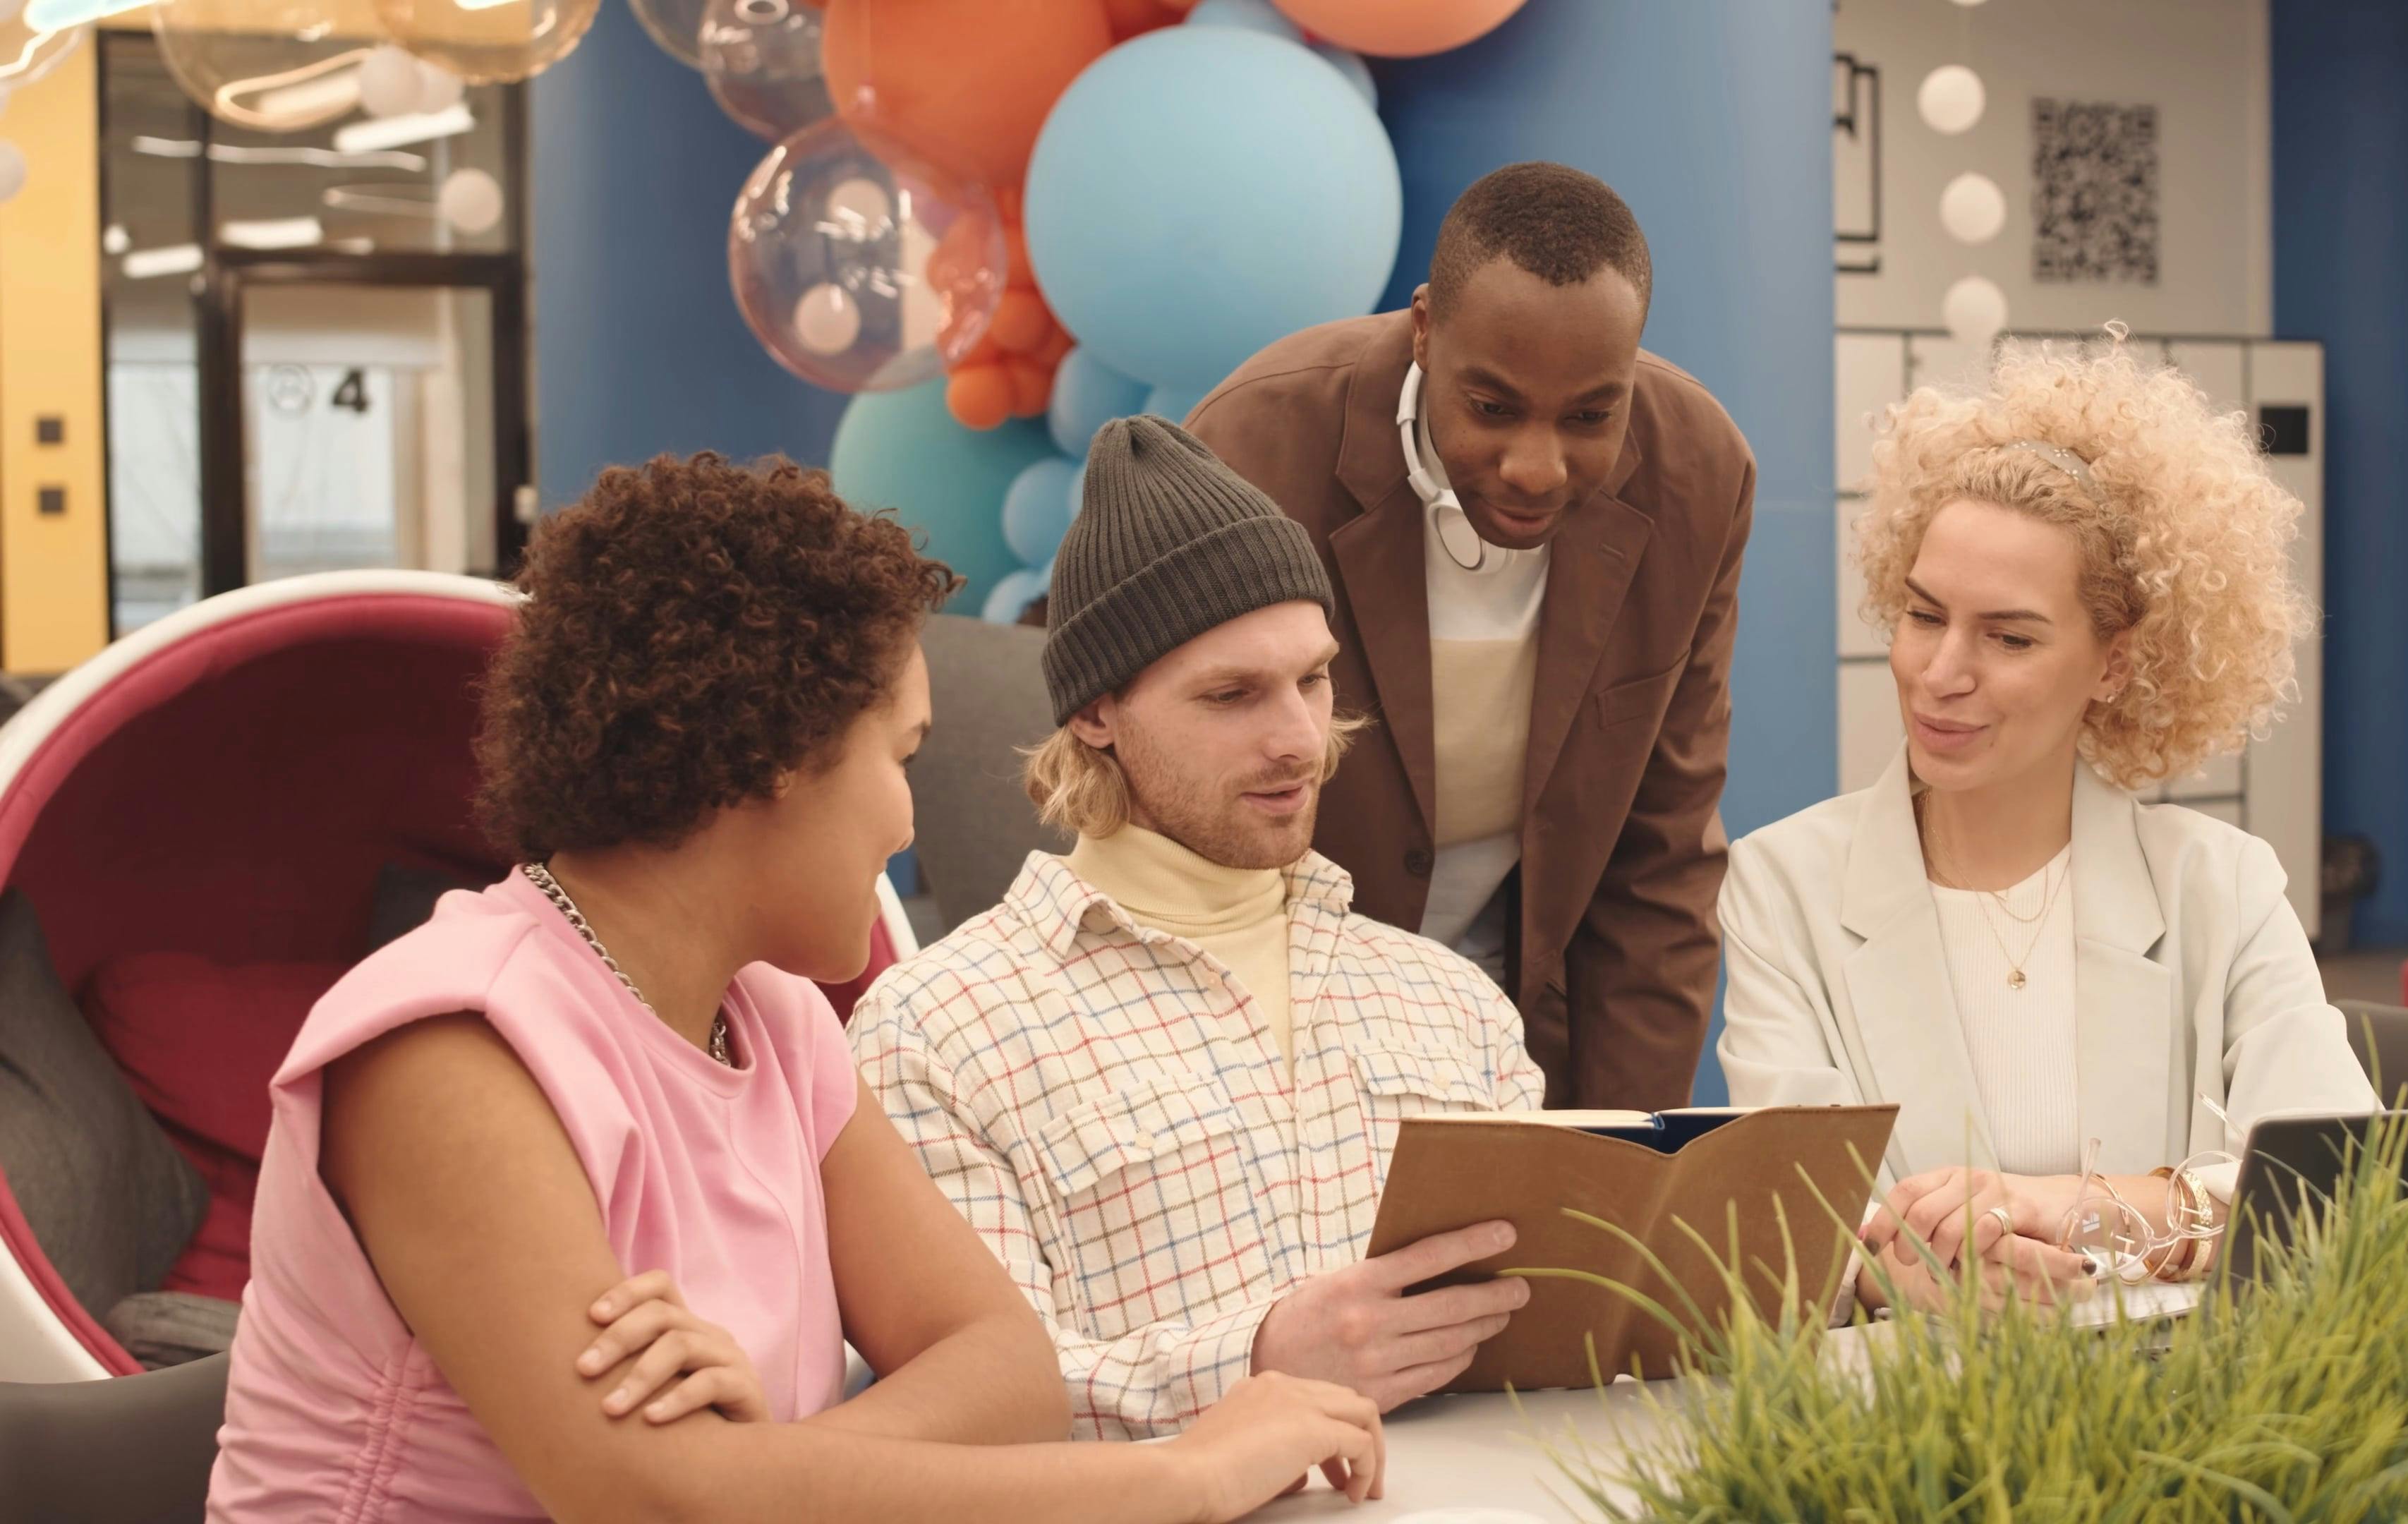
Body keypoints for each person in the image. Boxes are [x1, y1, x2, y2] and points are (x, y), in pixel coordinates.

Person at [208, 455, 1389, 1522]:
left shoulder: (774, 1020)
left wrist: (767, 1470)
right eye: (901, 757)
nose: (910, 818)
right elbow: (654, 1505)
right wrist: (1183, 1474)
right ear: (775, 752)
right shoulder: (450, 1048)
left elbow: (1008, 1371)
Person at [852, 417, 1544, 1440]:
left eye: (1312, 678)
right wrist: (1253, 1366)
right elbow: (967, 1411)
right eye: (1232, 695)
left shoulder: (1451, 1003)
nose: (1300, 740)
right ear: (1095, 712)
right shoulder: (936, 1034)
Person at [1714, 336, 2378, 1317]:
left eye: (2009, 637)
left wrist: (2074, 1212)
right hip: (1906, 1420)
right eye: (1923, 615)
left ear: (2115, 664)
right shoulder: (1783, 886)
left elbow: (2333, 1185)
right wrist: (1893, 1273)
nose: (1942, 673)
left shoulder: (2223, 889)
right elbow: (1794, 1215)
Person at [1185, 162, 1753, 1111]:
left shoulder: (1699, 473)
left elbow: (1659, 861)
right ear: (1423, 330)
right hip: (1269, 1043)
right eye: (1491, 409)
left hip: (1531, 1042)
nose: (1536, 468)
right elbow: (1183, 833)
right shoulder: (1252, 450)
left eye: (1589, 417)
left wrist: (1618, 1161)